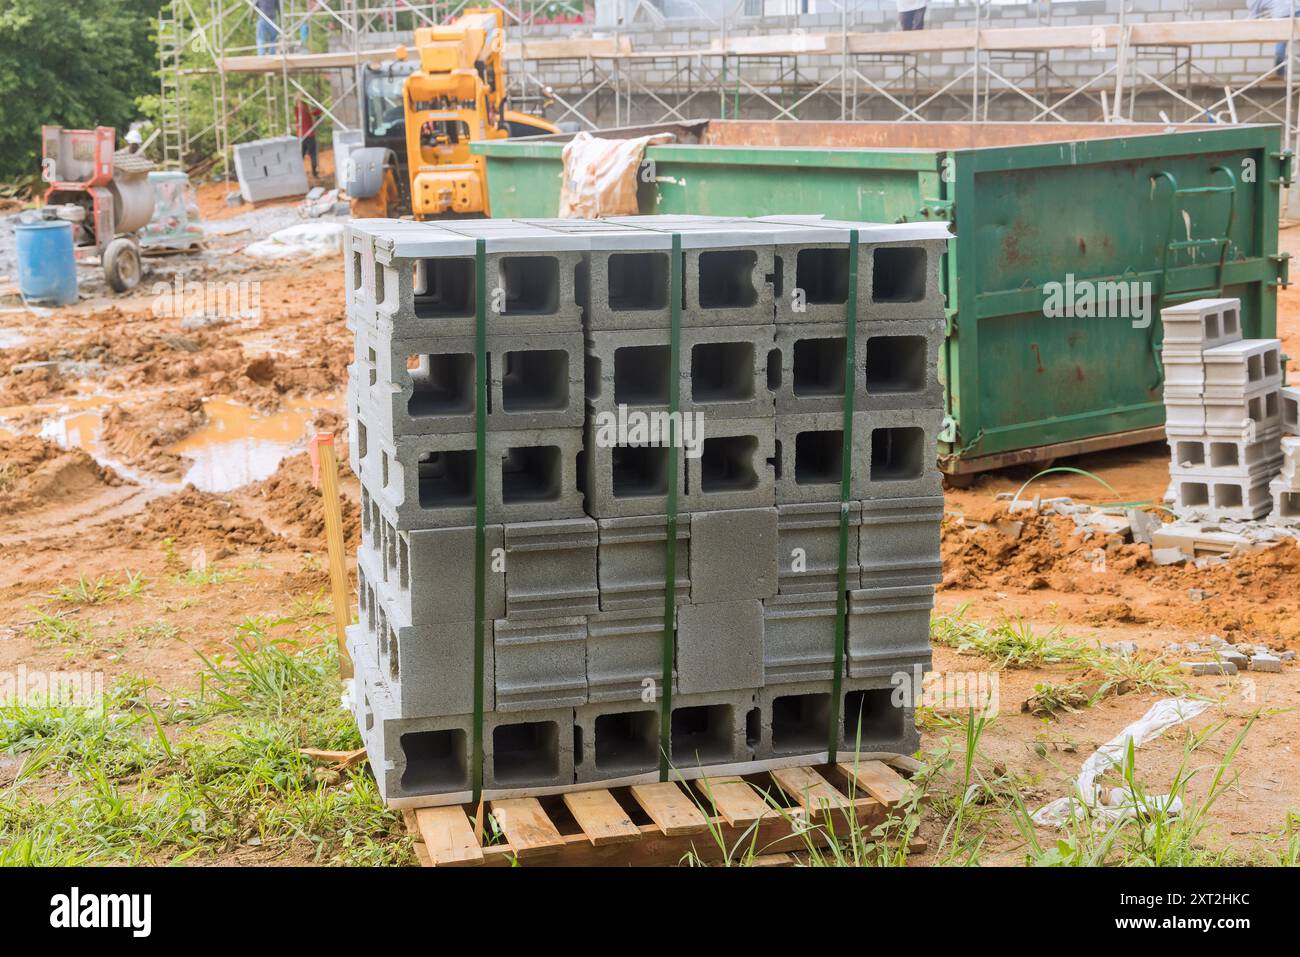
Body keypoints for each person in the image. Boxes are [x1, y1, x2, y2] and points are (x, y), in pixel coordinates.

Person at [296, 98, 322, 178]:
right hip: (309, 136)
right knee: (312, 155)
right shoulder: (306, 111)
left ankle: (298, 173)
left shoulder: (298, 111)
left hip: (301, 136)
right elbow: (318, 111)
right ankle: (314, 173)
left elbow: (317, 112)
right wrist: (315, 104)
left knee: (301, 155)